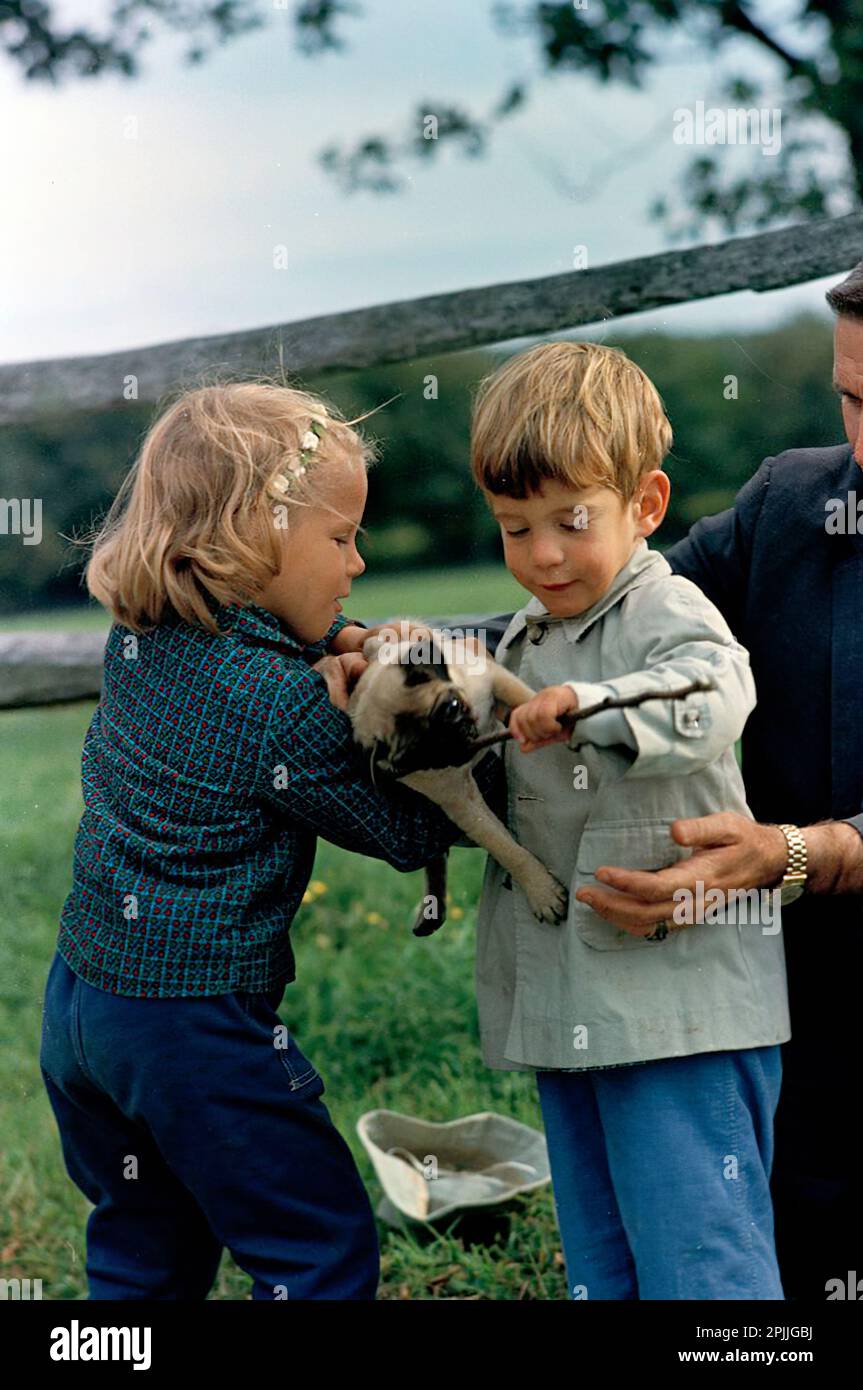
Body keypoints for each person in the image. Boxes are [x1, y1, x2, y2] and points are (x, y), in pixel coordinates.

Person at [38, 378, 504, 1300]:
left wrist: (340, 639)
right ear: (251, 535)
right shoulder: (281, 708)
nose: (357, 564)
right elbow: (408, 830)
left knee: (144, 1242)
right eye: (339, 539)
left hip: (82, 1013)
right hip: (193, 1029)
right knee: (315, 1249)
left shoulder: (140, 635)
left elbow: (274, 631)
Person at [547, 265, 863, 1302]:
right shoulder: (787, 506)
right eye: (850, 401)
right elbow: (602, 623)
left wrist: (795, 852)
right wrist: (414, 665)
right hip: (779, 998)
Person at [467, 339, 791, 1300]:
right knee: (600, 1265)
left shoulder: (666, 610)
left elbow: (712, 692)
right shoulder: (529, 631)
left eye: (570, 521)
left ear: (645, 505)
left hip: (678, 1017)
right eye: (513, 528)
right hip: (572, 1011)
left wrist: (585, 704)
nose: (543, 554)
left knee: (701, 1263)